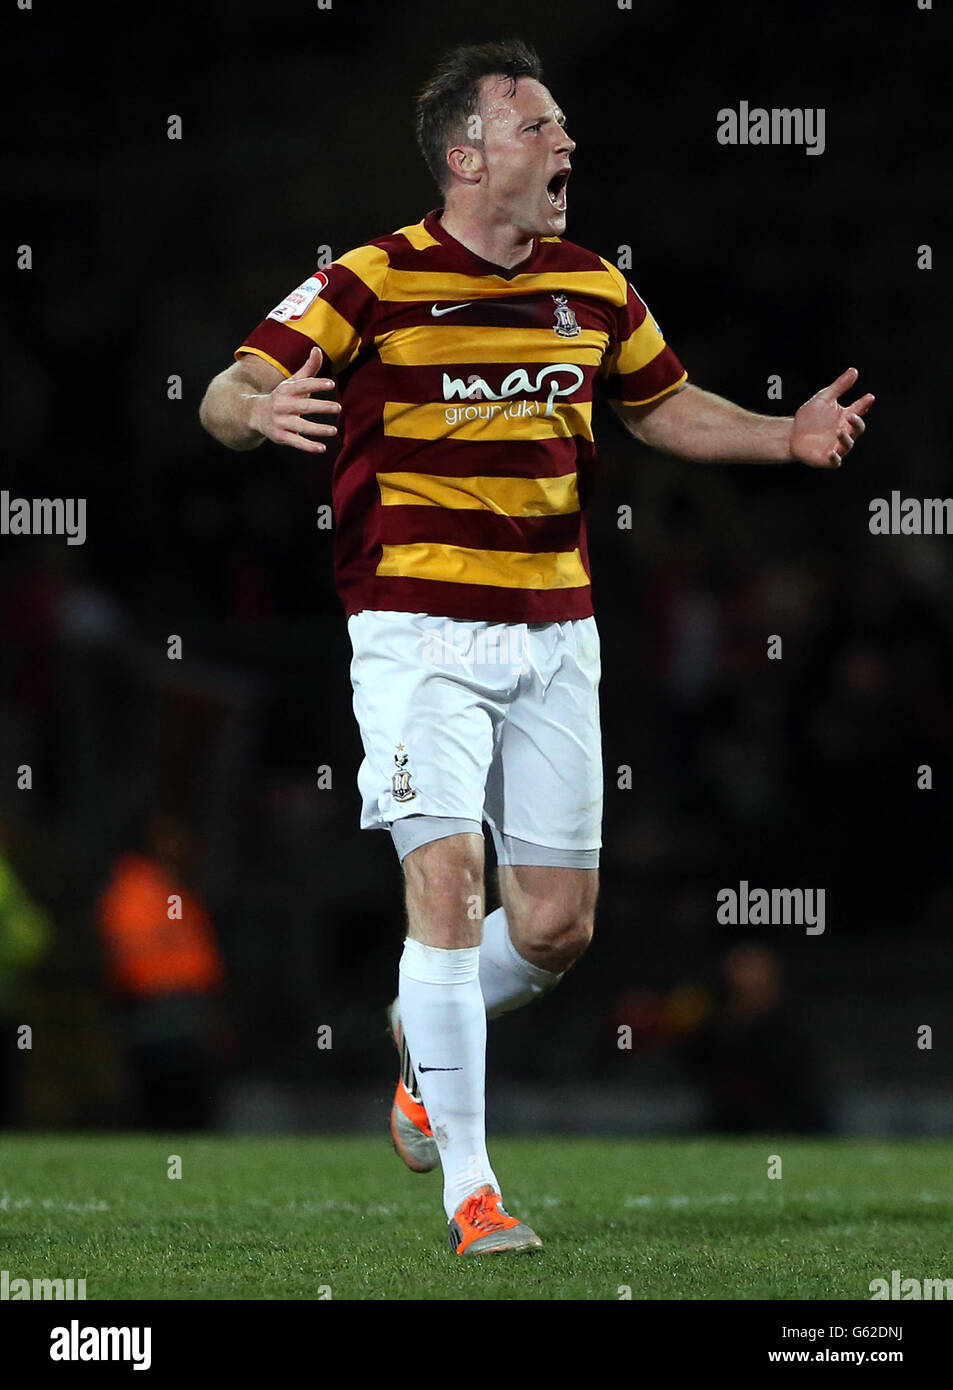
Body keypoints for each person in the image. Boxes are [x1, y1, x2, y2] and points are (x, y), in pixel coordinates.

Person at [199, 40, 873, 1255]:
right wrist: (254, 409)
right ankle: (472, 1191)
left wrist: (783, 435)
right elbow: (226, 385)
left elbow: (663, 405)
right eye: (537, 128)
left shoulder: (594, 288)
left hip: (556, 636)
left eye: (561, 128)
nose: (565, 145)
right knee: (445, 887)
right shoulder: (366, 280)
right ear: (466, 158)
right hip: (414, 632)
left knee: (557, 925)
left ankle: (424, 1038)